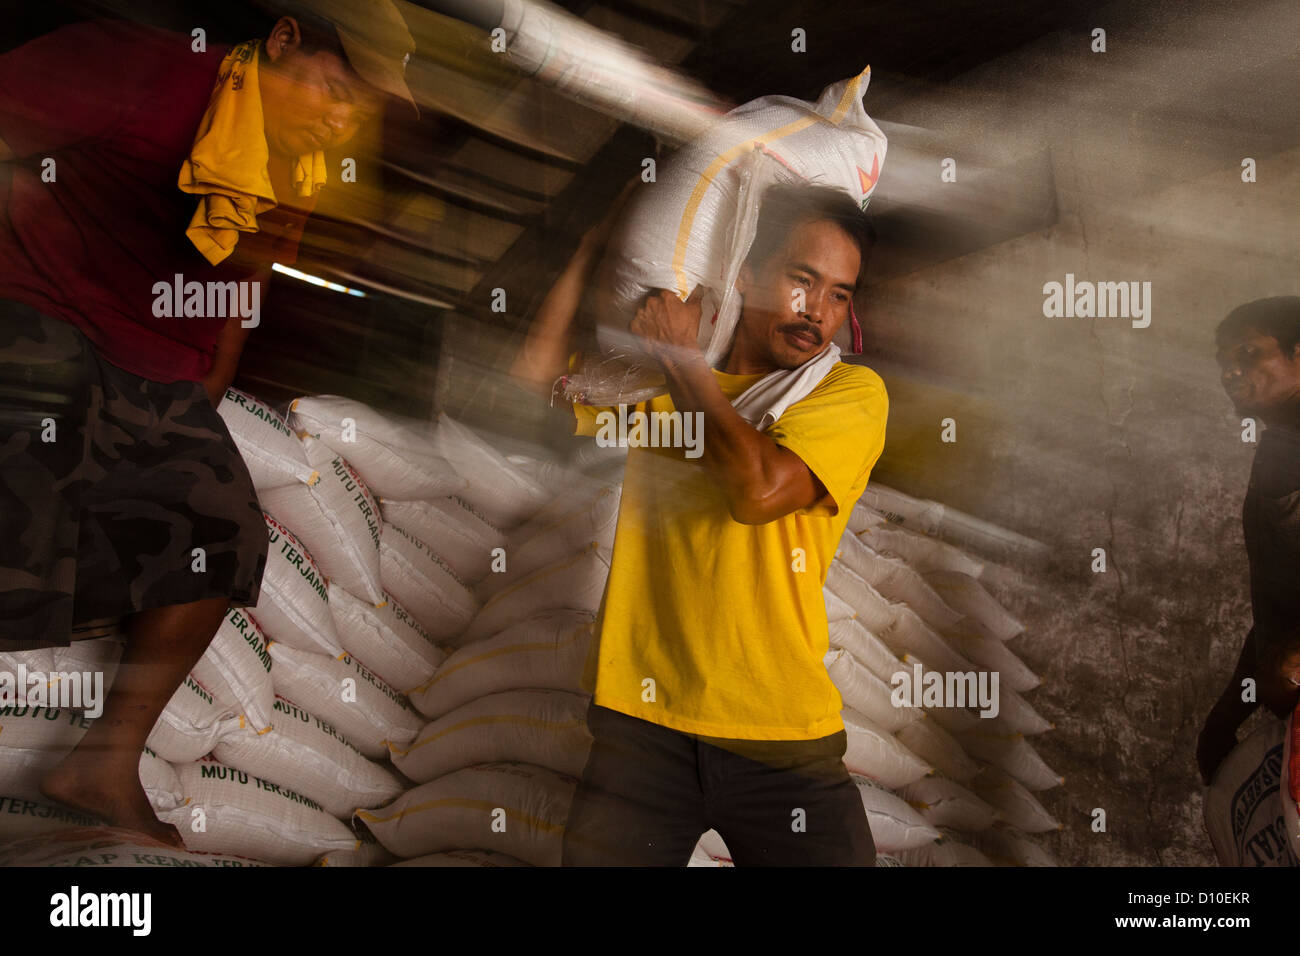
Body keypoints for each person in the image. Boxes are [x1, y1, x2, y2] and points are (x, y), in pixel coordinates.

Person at [0, 1, 415, 845]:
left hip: (152, 370)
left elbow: (238, 298)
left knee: (221, 522)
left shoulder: (289, 168)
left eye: (357, 108)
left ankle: (101, 764)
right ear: (285, 38)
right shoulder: (145, 66)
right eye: (337, 87)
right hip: (32, 313)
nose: (341, 117)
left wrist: (199, 416)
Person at [513, 181, 888, 865]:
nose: (818, 312)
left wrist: (680, 359)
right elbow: (536, 374)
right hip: (642, 727)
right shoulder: (653, 387)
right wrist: (592, 244)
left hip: (780, 736)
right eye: (801, 279)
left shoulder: (848, 394)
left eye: (840, 293)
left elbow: (758, 489)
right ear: (746, 272)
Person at [1197, 297, 1300, 789]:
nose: (1231, 372)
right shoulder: (1281, 446)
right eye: (1225, 362)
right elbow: (1280, 604)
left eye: (1250, 354)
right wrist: (1230, 711)